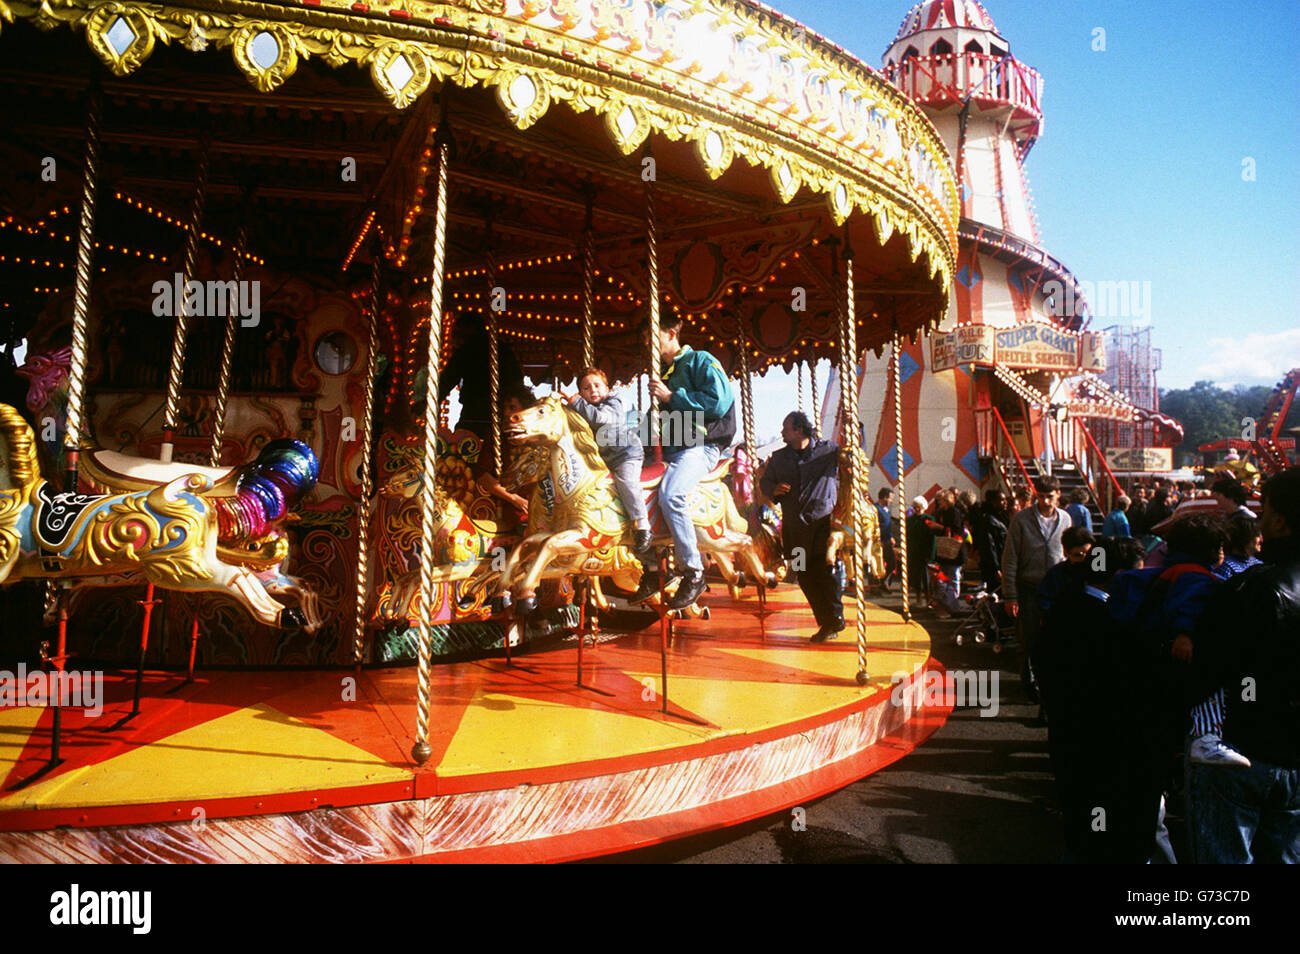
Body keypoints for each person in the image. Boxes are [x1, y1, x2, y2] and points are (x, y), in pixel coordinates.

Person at [1192, 467, 1300, 862]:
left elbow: (1205, 669)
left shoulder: (1249, 589)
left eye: (1266, 507)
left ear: (1278, 519)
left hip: (1244, 754)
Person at [632, 314, 737, 609]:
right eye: (644, 340)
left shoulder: (700, 361)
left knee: (672, 494)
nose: (648, 344)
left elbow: (717, 402)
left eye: (652, 336)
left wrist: (672, 396)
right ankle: (653, 569)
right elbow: (652, 424)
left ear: (672, 332)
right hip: (670, 449)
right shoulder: (663, 373)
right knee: (630, 491)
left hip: (700, 445)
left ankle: (693, 572)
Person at [760, 411, 843, 641]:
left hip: (821, 526)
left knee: (826, 571)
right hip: (795, 529)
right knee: (804, 575)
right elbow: (765, 482)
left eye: (786, 429)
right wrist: (773, 489)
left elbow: (853, 452)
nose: (782, 433)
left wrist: (856, 428)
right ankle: (826, 623)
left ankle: (835, 617)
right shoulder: (778, 458)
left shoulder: (827, 451)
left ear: (799, 430)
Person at [566, 367, 653, 558]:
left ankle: (642, 524)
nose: (593, 390)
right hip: (602, 460)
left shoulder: (614, 402)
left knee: (626, 482)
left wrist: (576, 402)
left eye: (597, 385)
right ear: (581, 392)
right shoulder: (583, 409)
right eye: (586, 388)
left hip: (626, 454)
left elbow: (602, 419)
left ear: (607, 388)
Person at [1002, 475, 1071, 699]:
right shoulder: (1021, 520)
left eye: (1050, 497)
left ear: (1058, 495)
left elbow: (1069, 554)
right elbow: (1010, 559)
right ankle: (1028, 682)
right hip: (1028, 587)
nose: (1045, 502)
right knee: (1029, 638)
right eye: (1040, 497)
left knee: (1054, 637)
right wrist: (1010, 596)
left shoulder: (1066, 520)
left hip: (1056, 587)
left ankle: (1048, 681)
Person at [438, 318, 525, 446]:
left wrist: (428, 402)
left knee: (463, 444)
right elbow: (517, 379)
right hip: (498, 408)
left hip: (474, 409)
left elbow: (447, 380)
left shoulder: (467, 349)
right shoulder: (503, 349)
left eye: (460, 333)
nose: (457, 338)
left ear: (471, 329)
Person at [975, 489, 1009, 593]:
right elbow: (989, 546)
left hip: (1001, 561)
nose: (1005, 502)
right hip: (995, 565)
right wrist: (996, 568)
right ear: (994, 502)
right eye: (1002, 500)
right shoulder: (989, 521)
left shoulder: (1001, 517)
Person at [875, 487, 899, 592]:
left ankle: (884, 582)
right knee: (877, 563)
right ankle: (878, 584)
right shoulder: (875, 509)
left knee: (892, 563)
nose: (891, 501)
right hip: (879, 540)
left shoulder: (886, 510)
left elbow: (887, 526)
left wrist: (890, 537)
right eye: (890, 498)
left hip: (886, 540)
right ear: (885, 498)